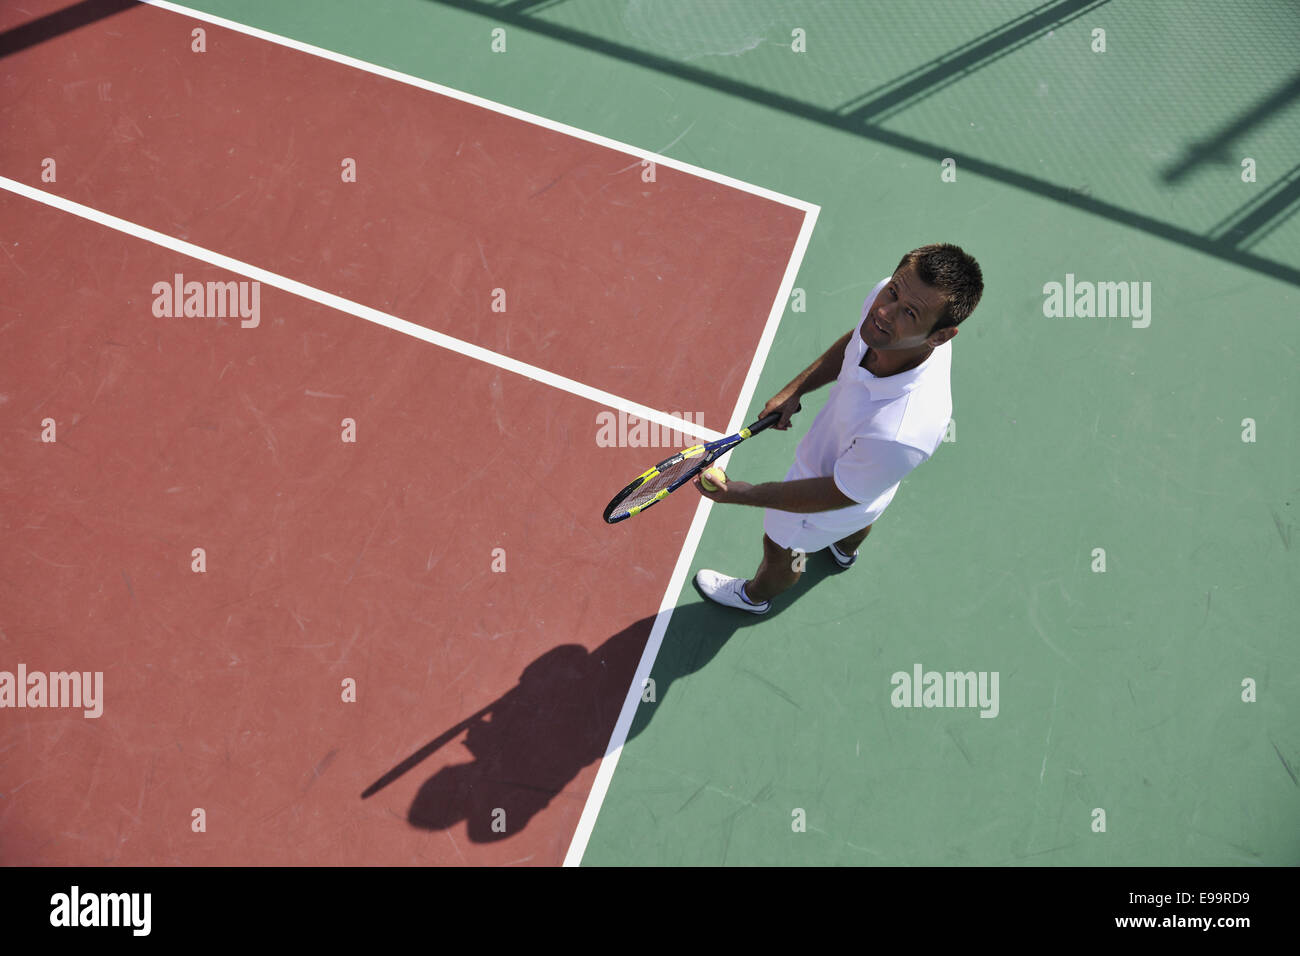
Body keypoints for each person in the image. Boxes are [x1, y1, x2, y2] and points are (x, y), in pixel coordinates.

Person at [693, 243, 983, 613]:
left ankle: (754, 596)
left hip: (833, 494)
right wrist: (796, 389)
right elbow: (860, 340)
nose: (883, 311)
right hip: (871, 481)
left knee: (782, 551)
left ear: (940, 336)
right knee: (867, 507)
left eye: (909, 312)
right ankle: (845, 551)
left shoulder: (904, 430)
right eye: (892, 292)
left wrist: (743, 494)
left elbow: (839, 493)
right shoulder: (889, 315)